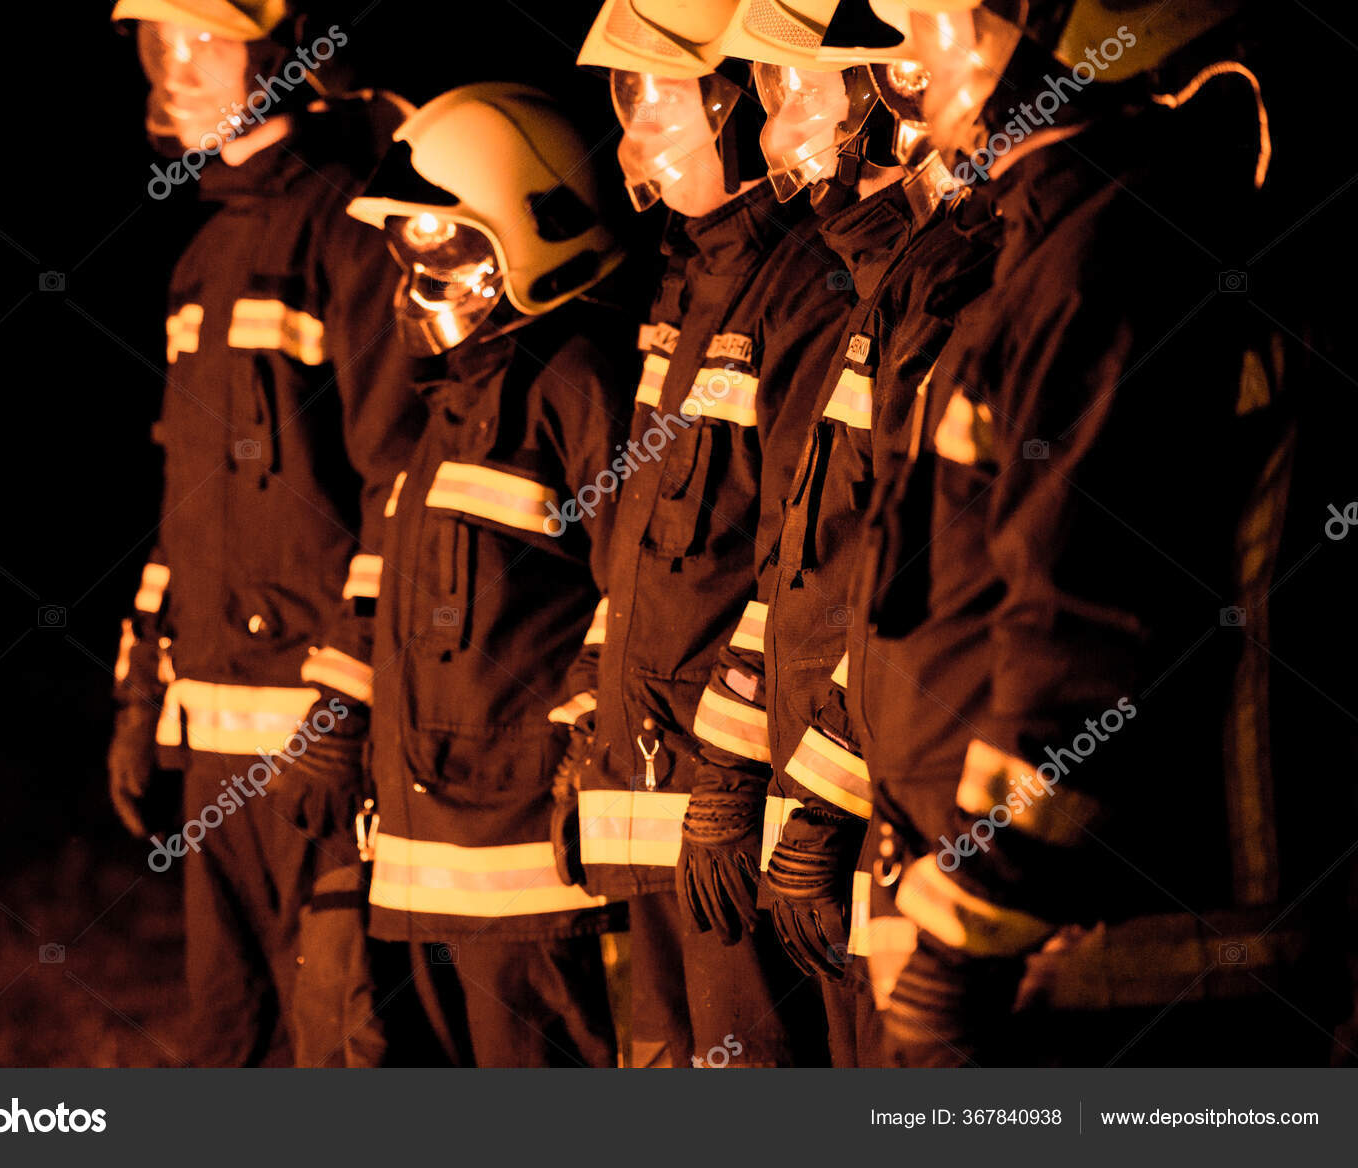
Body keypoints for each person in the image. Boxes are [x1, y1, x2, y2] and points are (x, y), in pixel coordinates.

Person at [844, 0, 1343, 1066]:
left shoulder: (1110, 260)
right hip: (1066, 945)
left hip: (1125, 965)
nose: (908, 50)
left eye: (935, 12)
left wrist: (963, 941)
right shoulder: (1066, 245)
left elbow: (1085, 631)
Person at [104, 0, 422, 1066]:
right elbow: (183, 496)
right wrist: (142, 678)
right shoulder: (203, 251)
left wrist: (347, 695)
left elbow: (401, 478)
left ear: (283, 56)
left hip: (313, 742)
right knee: (228, 1035)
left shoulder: (349, 229)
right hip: (212, 737)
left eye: (204, 41)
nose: (176, 70)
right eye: (160, 46)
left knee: (340, 1037)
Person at [557, 0, 845, 1067]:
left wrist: (732, 784)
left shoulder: (808, 289)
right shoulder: (684, 282)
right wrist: (588, 740)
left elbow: (799, 561)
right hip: (656, 795)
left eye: (658, 94)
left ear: (735, 106)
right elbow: (634, 556)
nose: (638, 126)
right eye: (626, 96)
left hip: (728, 806)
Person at [345, 83, 633, 1067]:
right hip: (420, 872)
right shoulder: (447, 405)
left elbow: (628, 596)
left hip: (530, 884)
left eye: (446, 247)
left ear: (528, 237)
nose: (420, 275)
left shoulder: (576, 389)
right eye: (410, 248)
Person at [710, 0, 973, 1068]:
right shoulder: (878, 283)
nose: (780, 132)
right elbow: (797, 566)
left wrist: (815, 797)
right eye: (771, 94)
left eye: (804, 89)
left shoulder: (941, 277)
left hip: (898, 808)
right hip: (845, 800)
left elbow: (903, 574)